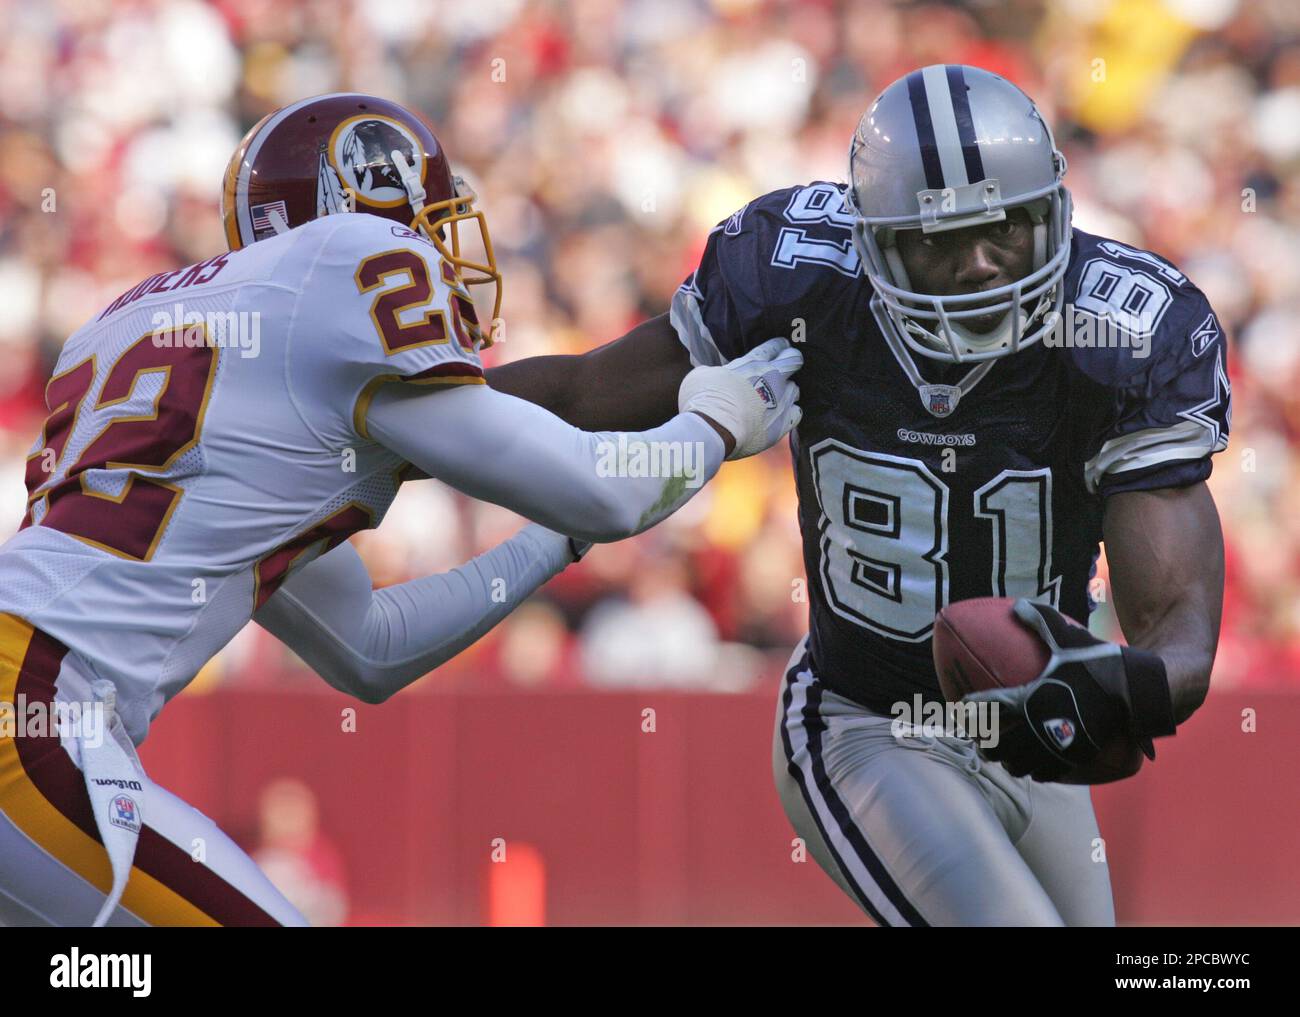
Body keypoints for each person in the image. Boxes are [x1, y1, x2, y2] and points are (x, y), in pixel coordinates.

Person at [0, 93, 802, 927]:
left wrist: (556, 539)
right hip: (35, 713)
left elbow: (370, 648)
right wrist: (716, 421)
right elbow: (605, 486)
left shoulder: (145, 323)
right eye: (428, 218)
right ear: (365, 202)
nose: (442, 249)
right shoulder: (351, 254)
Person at [488, 65, 1231, 926]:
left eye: (1006, 230)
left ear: (1054, 214)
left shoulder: (1125, 336)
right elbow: (586, 395)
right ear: (876, 242)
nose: (982, 263)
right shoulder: (802, 282)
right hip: (867, 722)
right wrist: (402, 426)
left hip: (1024, 725)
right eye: (940, 241)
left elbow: (1178, 623)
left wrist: (1118, 688)